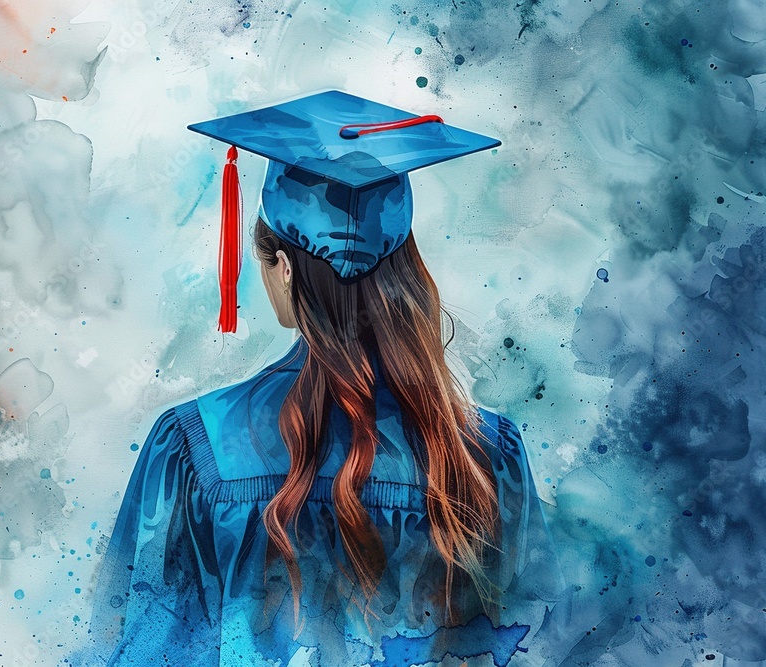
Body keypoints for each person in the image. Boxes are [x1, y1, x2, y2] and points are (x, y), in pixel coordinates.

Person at [74, 91, 559, 667]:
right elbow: (545, 640)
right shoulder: (486, 452)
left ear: (280, 266)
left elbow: (133, 647)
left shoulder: (193, 445)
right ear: (405, 264)